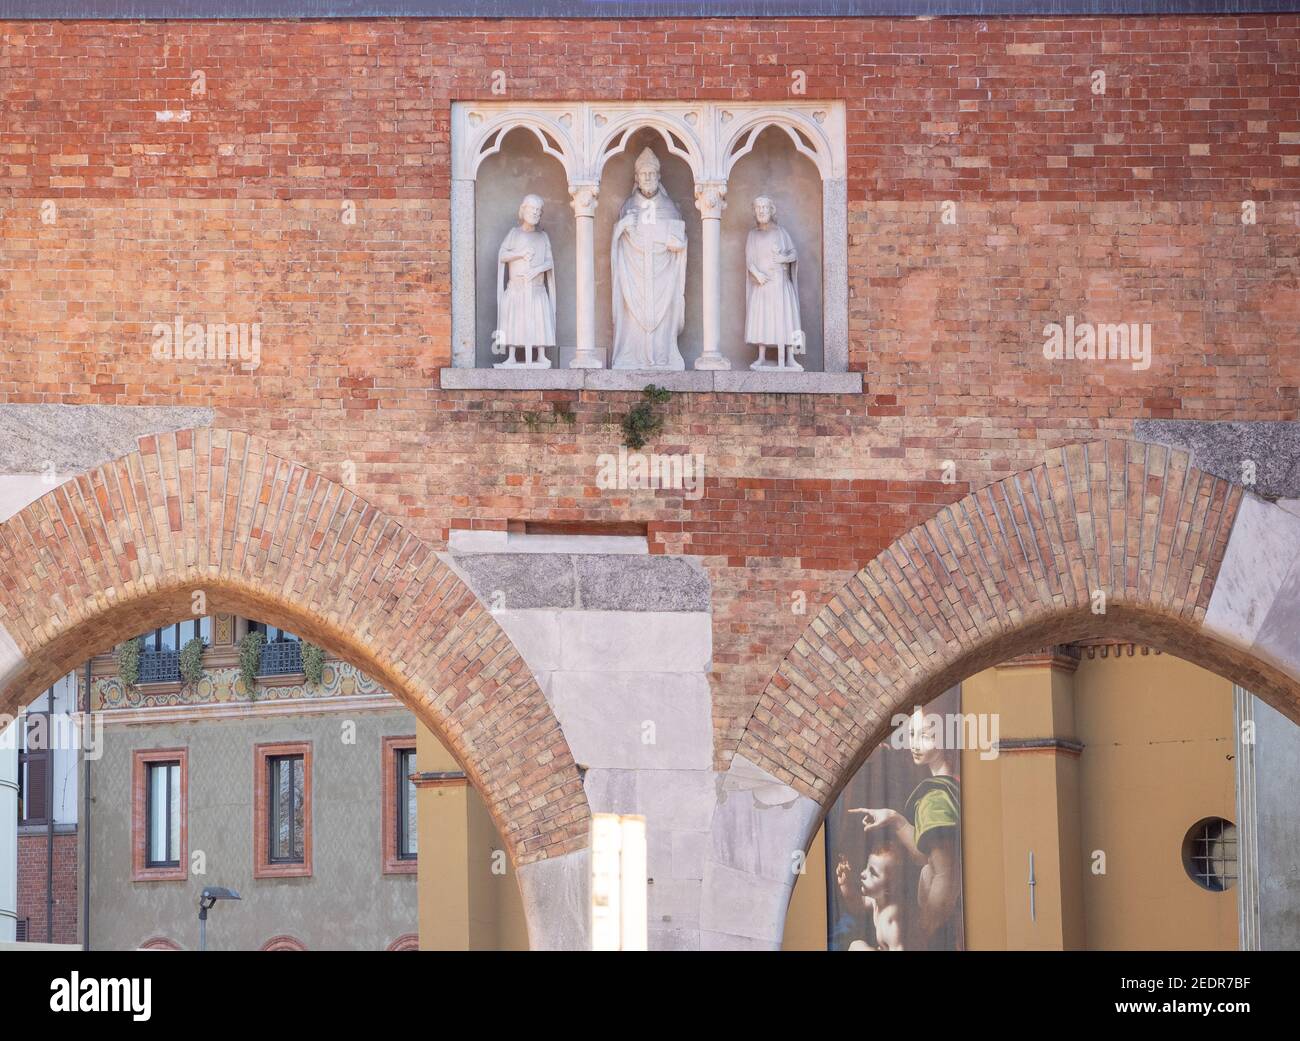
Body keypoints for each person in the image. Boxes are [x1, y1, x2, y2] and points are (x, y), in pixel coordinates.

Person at [850, 708, 961, 947]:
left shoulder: (936, 798)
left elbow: (945, 873)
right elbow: (927, 854)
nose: (915, 744)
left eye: (926, 736)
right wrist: (894, 818)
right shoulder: (947, 786)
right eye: (912, 734)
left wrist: (925, 926)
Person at [610, 147, 688, 370]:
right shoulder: (628, 206)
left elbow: (679, 238)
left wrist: (677, 244)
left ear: (659, 176)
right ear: (636, 178)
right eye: (644, 174)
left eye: (652, 174)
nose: (648, 178)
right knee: (633, 316)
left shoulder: (669, 207)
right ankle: (631, 356)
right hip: (634, 274)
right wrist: (621, 228)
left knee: (664, 315)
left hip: (663, 274)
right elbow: (618, 242)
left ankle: (663, 357)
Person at [495, 193, 555, 368]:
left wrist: (536, 270)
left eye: (538, 210)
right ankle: (511, 355)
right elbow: (502, 255)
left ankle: (541, 354)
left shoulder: (543, 237)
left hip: (536, 289)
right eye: (532, 209)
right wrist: (520, 253)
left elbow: (549, 262)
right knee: (513, 320)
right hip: (517, 289)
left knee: (539, 319)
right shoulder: (514, 234)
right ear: (524, 210)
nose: (535, 213)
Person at [744, 195, 803, 370]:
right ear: (754, 211)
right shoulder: (752, 235)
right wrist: (757, 274)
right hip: (762, 285)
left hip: (781, 284)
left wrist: (784, 258)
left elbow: (794, 254)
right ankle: (761, 357)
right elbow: (749, 260)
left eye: (765, 207)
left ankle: (791, 357)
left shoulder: (781, 232)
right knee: (762, 319)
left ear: (771, 210)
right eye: (758, 208)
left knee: (788, 319)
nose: (761, 211)